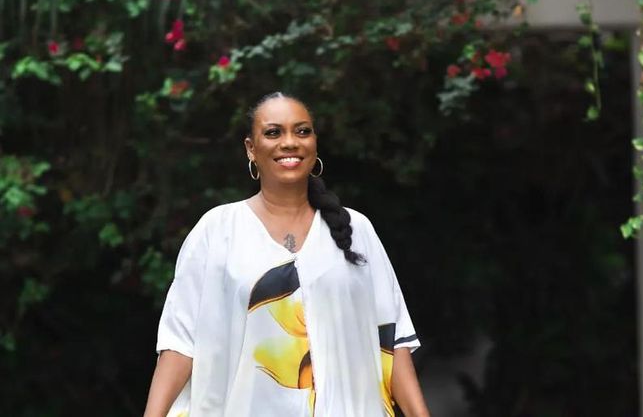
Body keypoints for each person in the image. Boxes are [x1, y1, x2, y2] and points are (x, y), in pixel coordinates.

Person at [143, 93, 430, 417]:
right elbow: (180, 343)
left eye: (302, 131)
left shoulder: (356, 231)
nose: (290, 142)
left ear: (315, 144)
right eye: (273, 132)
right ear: (251, 148)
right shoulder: (217, 231)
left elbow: (392, 340)